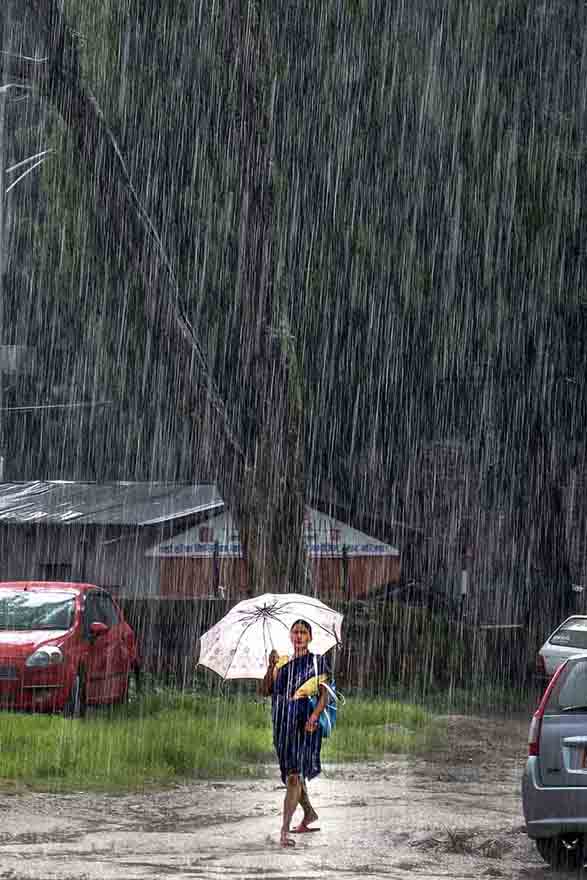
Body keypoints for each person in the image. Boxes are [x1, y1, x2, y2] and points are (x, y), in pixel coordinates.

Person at [261, 619, 331, 848]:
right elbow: (266, 691)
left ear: (310, 637)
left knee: (293, 775)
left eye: (303, 632)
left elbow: (324, 696)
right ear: (290, 636)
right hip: (282, 721)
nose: (299, 636)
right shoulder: (281, 662)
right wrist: (270, 666)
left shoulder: (317, 662)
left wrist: (314, 717)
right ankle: (309, 813)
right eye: (295, 632)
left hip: (304, 721)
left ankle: (283, 831)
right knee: (294, 773)